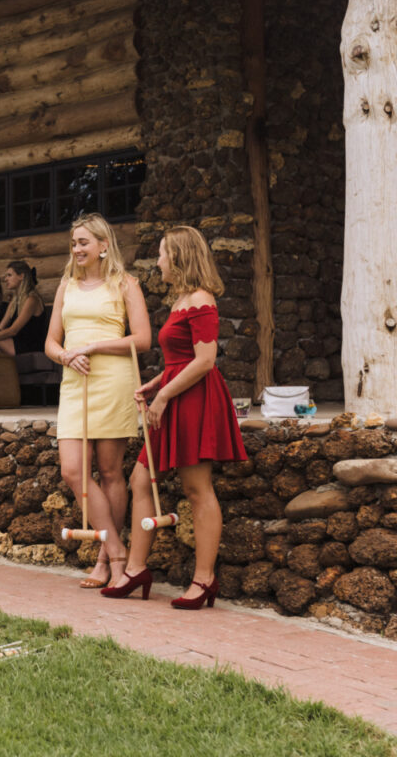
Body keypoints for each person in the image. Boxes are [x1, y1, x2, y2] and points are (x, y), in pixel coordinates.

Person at [103, 226, 248, 609]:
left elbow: (204, 361)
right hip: (173, 396)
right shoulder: (182, 300)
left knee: (198, 489)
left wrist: (163, 395)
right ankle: (136, 569)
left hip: (194, 401)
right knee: (140, 479)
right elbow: (179, 360)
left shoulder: (202, 300)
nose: (159, 260)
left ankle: (204, 581)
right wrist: (154, 385)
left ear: (180, 257)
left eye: (164, 253)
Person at [46, 213, 151, 590]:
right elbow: (51, 342)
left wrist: (94, 345)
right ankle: (119, 550)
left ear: (103, 246)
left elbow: (142, 340)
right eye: (74, 243)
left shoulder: (125, 283)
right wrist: (66, 355)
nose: (77, 249)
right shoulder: (65, 286)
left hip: (112, 382)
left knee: (109, 472)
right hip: (75, 382)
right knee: (72, 471)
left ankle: (106, 561)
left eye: (84, 243)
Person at [0, 260, 48, 355]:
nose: (5, 279)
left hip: (29, 345)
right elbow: (0, 328)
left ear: (21, 276)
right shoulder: (14, 301)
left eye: (9, 275)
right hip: (14, 343)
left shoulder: (32, 299)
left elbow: (13, 331)